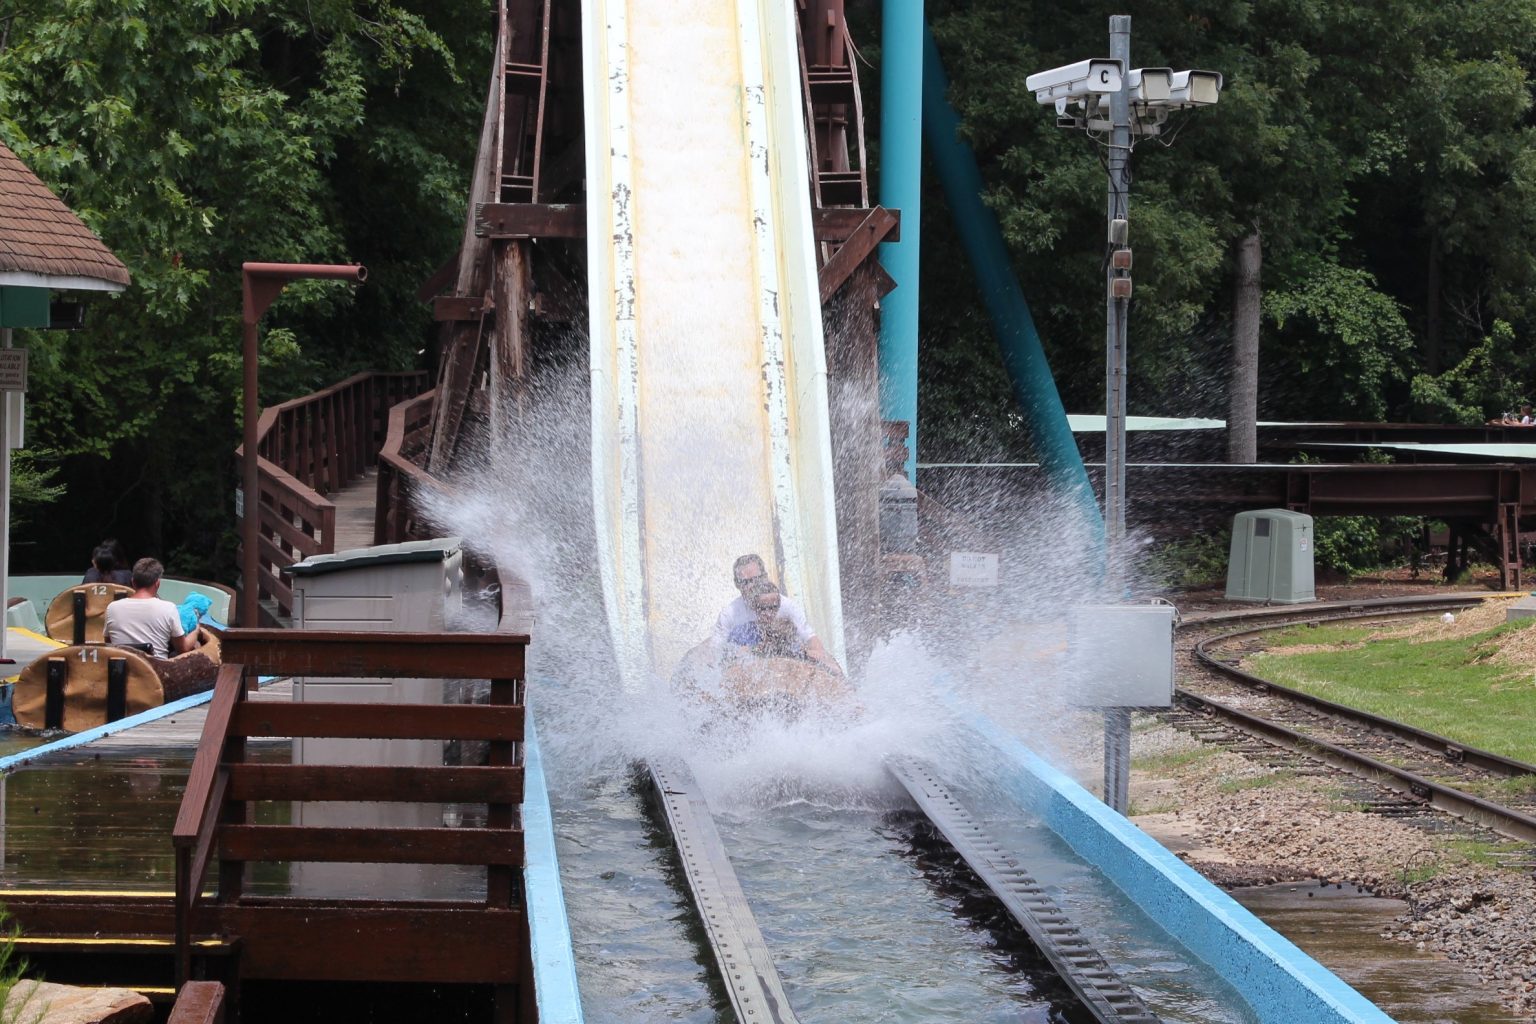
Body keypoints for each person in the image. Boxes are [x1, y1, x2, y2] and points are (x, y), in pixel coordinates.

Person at [719, 574, 843, 677]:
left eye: (773, 608)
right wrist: (755, 649)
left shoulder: (786, 629)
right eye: (763, 608)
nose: (768, 613)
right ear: (754, 607)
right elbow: (724, 663)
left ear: (778, 606)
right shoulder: (742, 633)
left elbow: (825, 662)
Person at [104, 558, 195, 658]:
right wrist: (197, 629)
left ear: (133, 582)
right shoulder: (169, 608)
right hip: (157, 671)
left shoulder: (112, 608)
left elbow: (109, 642)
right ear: (157, 584)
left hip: (122, 670)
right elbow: (183, 649)